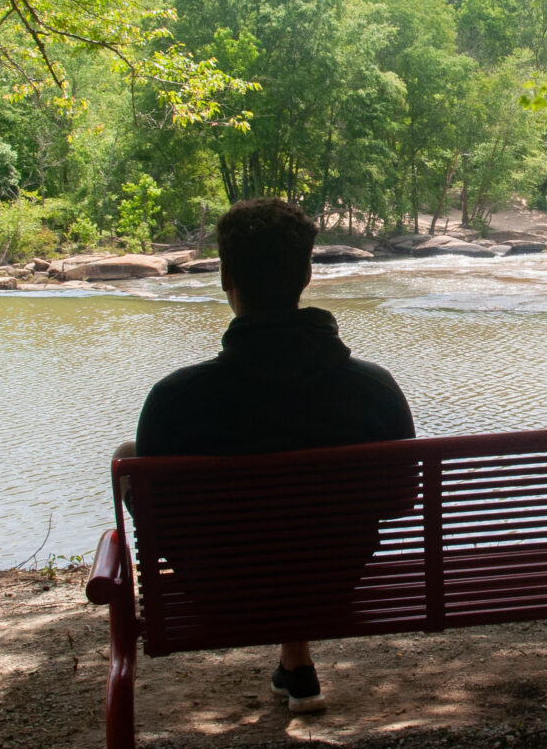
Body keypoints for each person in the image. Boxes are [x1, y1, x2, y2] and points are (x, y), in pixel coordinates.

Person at [126, 197, 414, 713]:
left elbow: (158, 519)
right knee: (304, 526)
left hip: (221, 590)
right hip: (333, 581)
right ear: (306, 272)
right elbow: (398, 500)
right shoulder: (372, 389)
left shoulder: (177, 398)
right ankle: (296, 658)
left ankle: (296, 660)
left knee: (131, 457)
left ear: (225, 277)